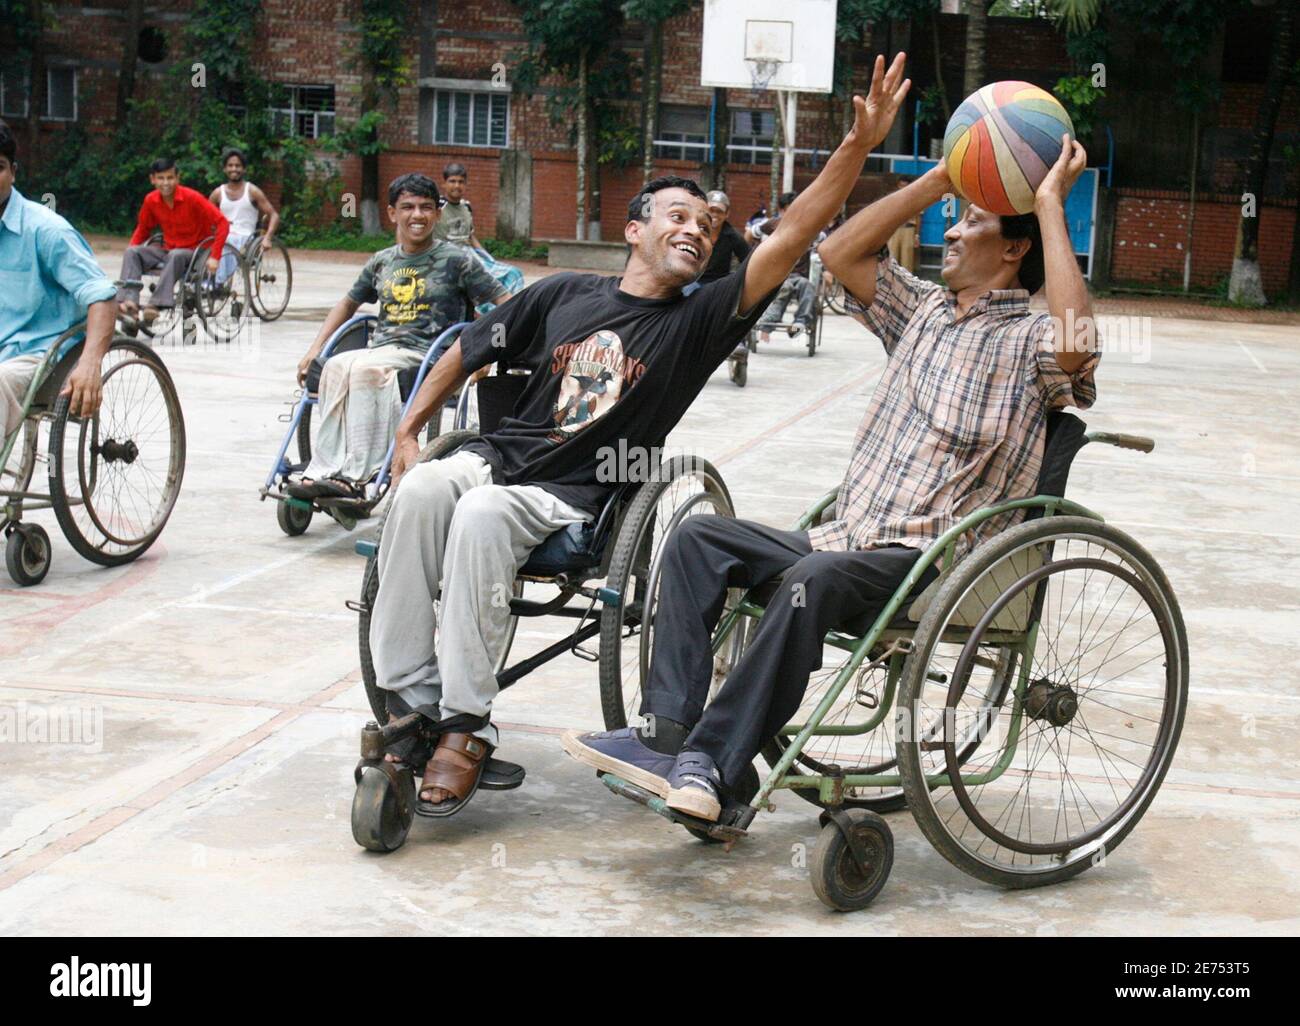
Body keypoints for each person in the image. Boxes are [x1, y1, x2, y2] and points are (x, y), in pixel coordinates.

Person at [368, 56, 912, 817]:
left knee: (484, 515)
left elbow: (792, 236)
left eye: (706, 224)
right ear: (635, 230)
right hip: (496, 459)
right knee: (424, 488)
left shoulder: (697, 320)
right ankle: (410, 709)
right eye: (677, 218)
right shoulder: (562, 292)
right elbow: (470, 346)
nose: (695, 230)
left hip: (574, 497)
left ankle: (464, 725)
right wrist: (409, 429)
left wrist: (856, 144)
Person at [564, 123, 1101, 826]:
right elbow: (837, 250)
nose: (953, 229)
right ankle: (665, 737)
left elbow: (1076, 341)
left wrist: (1053, 203)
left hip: (933, 560)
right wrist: (944, 177)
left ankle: (714, 765)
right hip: (847, 537)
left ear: (1015, 247)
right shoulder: (924, 313)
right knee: (700, 539)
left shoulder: (1029, 338)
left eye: (971, 221)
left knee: (808, 583)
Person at [287, 173, 509, 503]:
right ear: (392, 213)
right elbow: (348, 303)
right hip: (383, 348)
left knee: (367, 372)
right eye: (407, 207)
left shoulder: (458, 260)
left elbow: (506, 303)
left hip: (429, 354)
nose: (416, 215)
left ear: (438, 213)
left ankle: (354, 477)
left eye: (425, 207)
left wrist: (487, 352)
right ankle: (323, 470)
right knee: (332, 366)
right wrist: (314, 349)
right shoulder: (382, 261)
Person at [0, 119, 117, 446]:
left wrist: (90, 362)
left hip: (37, 354)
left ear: (14, 172)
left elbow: (102, 297)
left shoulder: (46, 231)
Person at [116, 157, 229, 326]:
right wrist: (133, 247)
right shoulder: (151, 200)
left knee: (176, 255)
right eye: (160, 178)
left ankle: (156, 304)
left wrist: (216, 256)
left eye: (170, 178)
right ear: (152, 179)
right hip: (170, 249)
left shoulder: (192, 198)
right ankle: (129, 303)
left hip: (196, 251)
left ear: (177, 178)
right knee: (132, 252)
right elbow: (143, 228)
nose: (165, 183)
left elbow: (222, 223)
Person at [751, 190, 823, 343]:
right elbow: (751, 233)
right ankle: (767, 326)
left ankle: (799, 323)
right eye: (791, 209)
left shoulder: (809, 227)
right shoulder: (773, 224)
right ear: (782, 210)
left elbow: (823, 238)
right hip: (776, 275)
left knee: (807, 286)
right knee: (785, 287)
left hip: (798, 276)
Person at [208, 147, 279, 270]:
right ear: (225, 169)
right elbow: (205, 217)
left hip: (245, 238)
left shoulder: (252, 191)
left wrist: (267, 237)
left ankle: (216, 281)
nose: (234, 169)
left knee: (226, 242)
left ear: (244, 169)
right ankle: (203, 281)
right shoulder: (218, 193)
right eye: (230, 165)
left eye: (238, 165)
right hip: (223, 236)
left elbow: (274, 215)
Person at [433, 162, 481, 248]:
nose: (457, 186)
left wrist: (488, 258)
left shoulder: (466, 206)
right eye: (452, 181)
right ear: (444, 183)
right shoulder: (436, 205)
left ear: (465, 184)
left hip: (465, 256)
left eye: (461, 182)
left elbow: (470, 236)